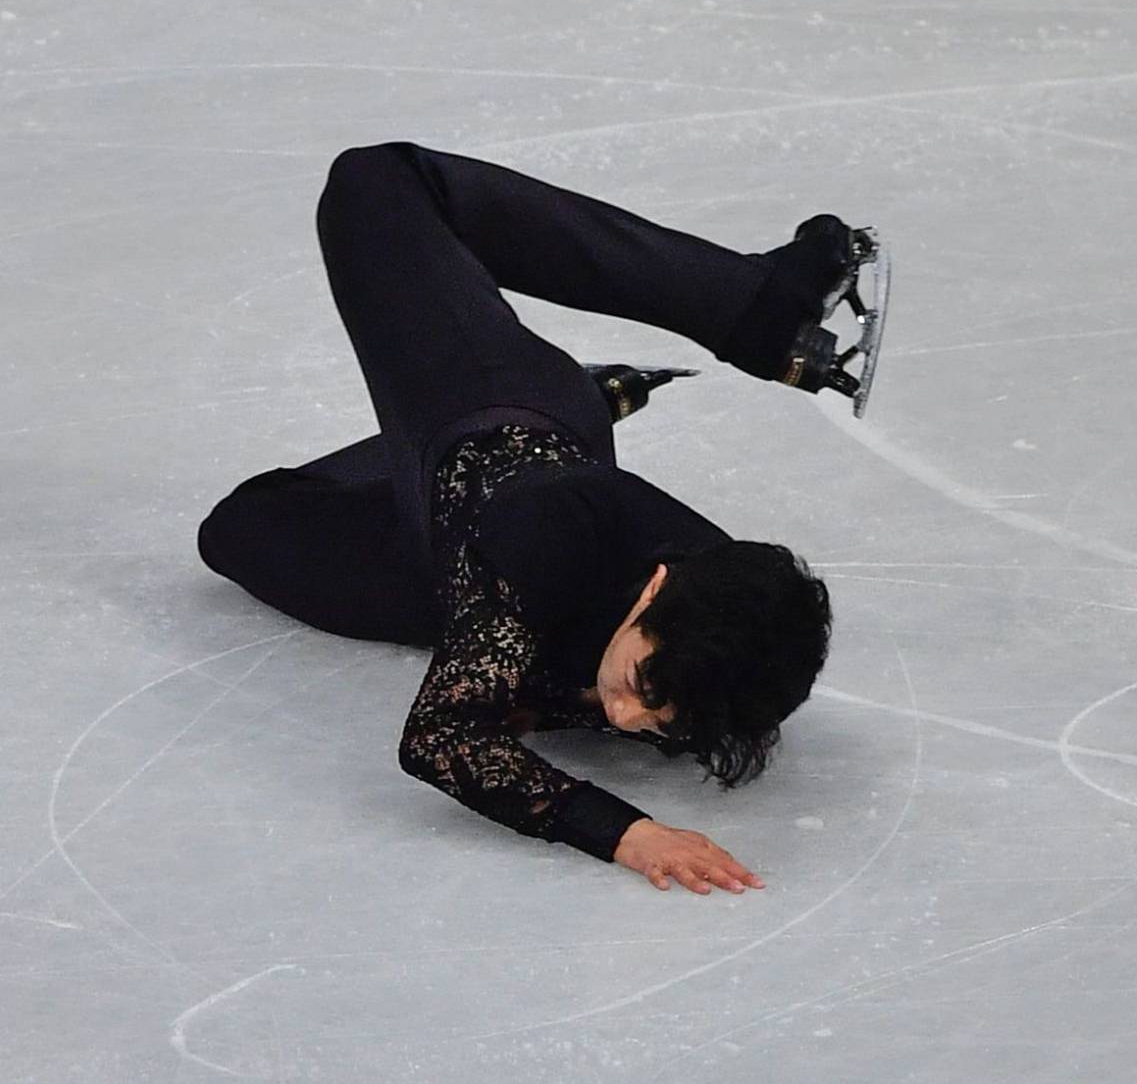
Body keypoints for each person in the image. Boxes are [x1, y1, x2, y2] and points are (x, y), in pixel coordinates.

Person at [198, 141, 877, 895]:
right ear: (654, 590)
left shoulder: (719, 654)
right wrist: (629, 833)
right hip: (490, 410)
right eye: (633, 682)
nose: (622, 717)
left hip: (449, 562)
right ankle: (756, 304)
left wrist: (547, 692)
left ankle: (599, 395)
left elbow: (703, 687)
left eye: (654, 717)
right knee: (375, 183)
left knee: (236, 527)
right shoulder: (542, 539)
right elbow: (440, 737)